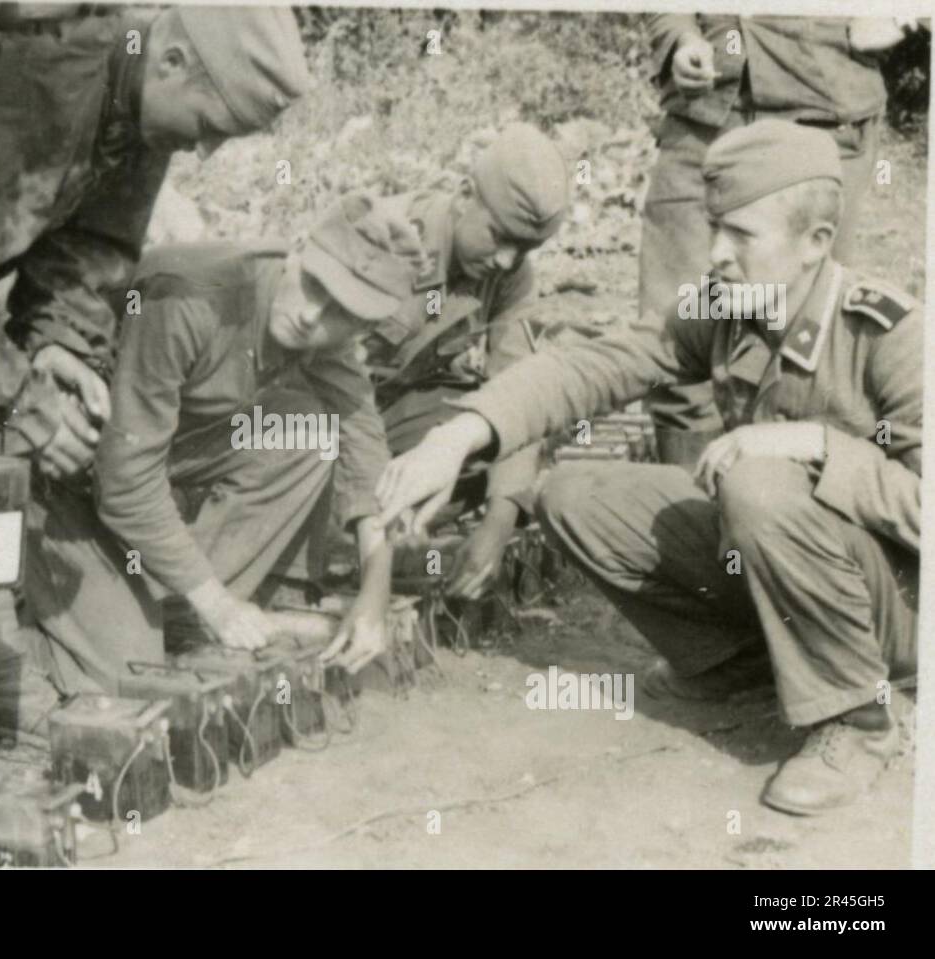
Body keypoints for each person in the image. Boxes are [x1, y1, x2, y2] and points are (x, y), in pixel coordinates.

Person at [0, 3, 309, 800]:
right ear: (174, 58)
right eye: (212, 123)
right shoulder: (37, 56)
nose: (207, 147)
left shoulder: (146, 112)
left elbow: (95, 248)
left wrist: (59, 351)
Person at [374, 120, 919, 815]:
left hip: (898, 614)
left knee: (757, 482)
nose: (716, 253)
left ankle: (858, 719)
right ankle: (741, 661)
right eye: (714, 227)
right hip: (797, 565)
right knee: (573, 494)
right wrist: (459, 436)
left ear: (816, 244)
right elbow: (596, 365)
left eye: (741, 235)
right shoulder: (726, 306)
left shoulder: (892, 334)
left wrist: (816, 443)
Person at [26, 195, 423, 693]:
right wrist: (213, 601)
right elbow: (123, 480)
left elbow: (363, 441)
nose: (311, 315)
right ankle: (2, 615)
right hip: (60, 474)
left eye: (341, 313)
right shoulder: (191, 297)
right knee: (131, 673)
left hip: (152, 463)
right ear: (299, 250)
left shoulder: (325, 333)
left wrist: (375, 591)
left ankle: (166, 601)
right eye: (315, 286)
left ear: (363, 326)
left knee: (311, 431)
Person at [639, 14, 913, 466]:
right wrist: (681, 37)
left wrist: (903, 14)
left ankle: (784, 516)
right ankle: (686, 518)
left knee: (810, 342)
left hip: (822, 110)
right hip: (706, 113)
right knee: (676, 338)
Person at [367, 123, 568, 599]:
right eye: (499, 237)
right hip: (322, 421)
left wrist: (498, 529)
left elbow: (517, 393)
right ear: (463, 195)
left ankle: (404, 513)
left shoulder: (511, 275)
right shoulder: (385, 239)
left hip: (392, 413)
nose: (504, 261)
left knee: (501, 436)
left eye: (523, 250)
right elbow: (317, 383)